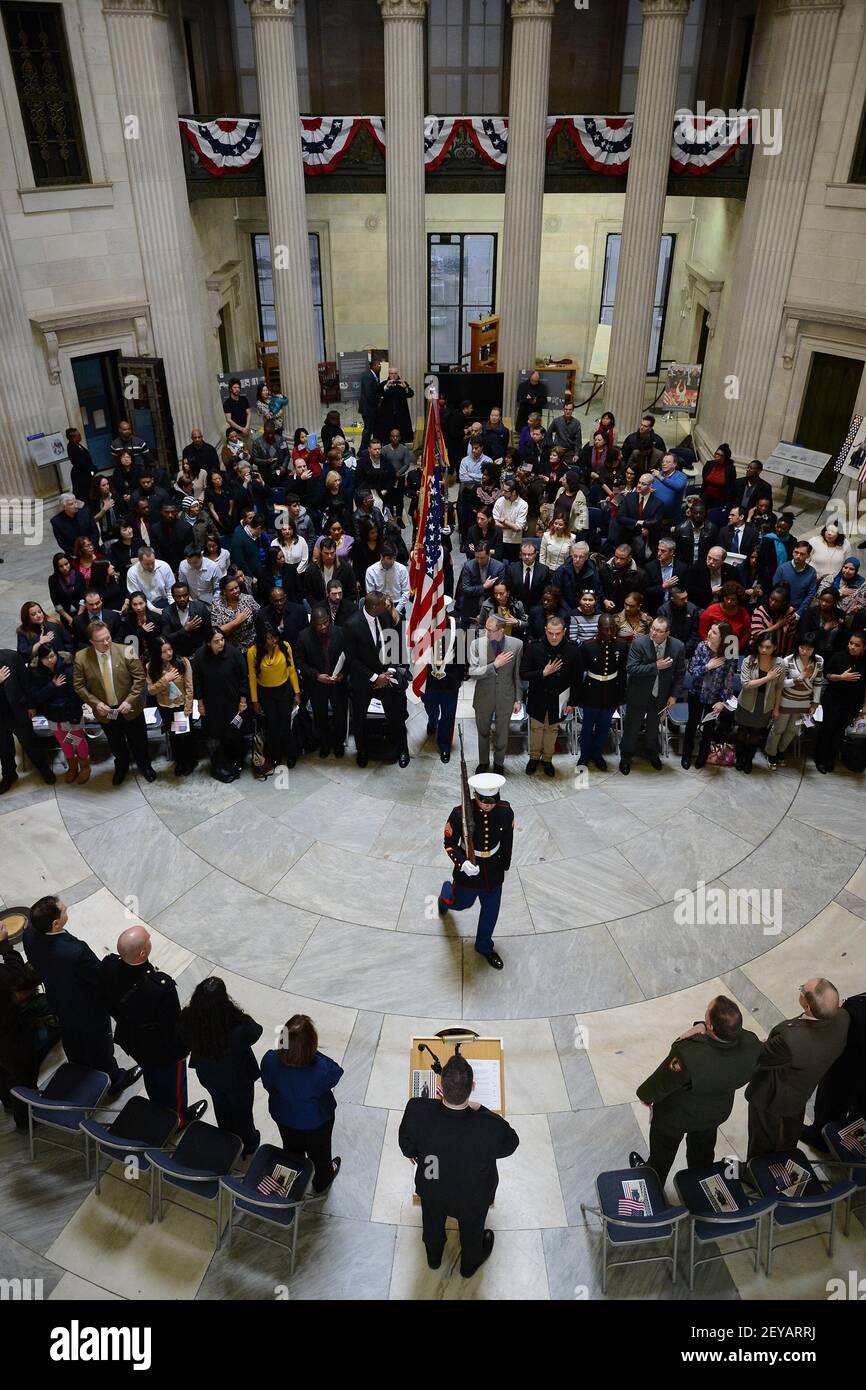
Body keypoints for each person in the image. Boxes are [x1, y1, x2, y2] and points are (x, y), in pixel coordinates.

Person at [398, 1051, 519, 1275]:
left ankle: (434, 1257)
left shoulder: (417, 1109)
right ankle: (469, 1264)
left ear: (440, 1086)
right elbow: (512, 1143)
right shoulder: (489, 1127)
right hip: (473, 1195)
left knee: (432, 1222)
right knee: (473, 1231)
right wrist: (479, 1108)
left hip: (432, 1187)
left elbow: (407, 1148)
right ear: (472, 1087)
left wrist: (417, 1152)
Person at [629, 996, 762, 1187]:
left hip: (676, 1117)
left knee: (662, 1154)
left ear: (711, 1026)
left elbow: (663, 1082)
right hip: (715, 1113)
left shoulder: (689, 1053)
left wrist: (645, 1096)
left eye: (706, 1014)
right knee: (702, 1153)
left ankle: (652, 1184)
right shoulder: (751, 1044)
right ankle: (698, 1187)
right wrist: (703, 1027)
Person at [23, 896, 140, 1096]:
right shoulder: (75, 952)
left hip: (58, 1001)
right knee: (100, 1046)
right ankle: (114, 1080)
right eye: (64, 911)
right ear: (55, 923)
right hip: (87, 1008)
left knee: (71, 1038)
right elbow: (97, 977)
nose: (66, 909)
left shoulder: (30, 935)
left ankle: (79, 1068)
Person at [101, 926, 205, 1128]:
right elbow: (172, 1026)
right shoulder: (160, 987)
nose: (150, 942)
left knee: (151, 1077)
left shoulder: (109, 966)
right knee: (172, 1085)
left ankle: (157, 1105)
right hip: (162, 1050)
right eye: (148, 941)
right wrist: (183, 1049)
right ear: (142, 953)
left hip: (133, 1040)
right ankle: (179, 1120)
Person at [746, 979, 850, 1159]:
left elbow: (759, 1057)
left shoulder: (790, 1038)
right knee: (789, 1132)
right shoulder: (843, 1018)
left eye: (802, 990)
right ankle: (785, 1158)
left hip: (771, 1096)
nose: (800, 989)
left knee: (762, 1138)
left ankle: (755, 1171)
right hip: (801, 1091)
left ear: (808, 1007)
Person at [438, 771, 514, 970]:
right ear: (474, 795)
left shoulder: (505, 811)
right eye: (484, 800)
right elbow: (449, 842)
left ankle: (484, 946)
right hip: (468, 874)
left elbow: (507, 840)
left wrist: (505, 865)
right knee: (460, 904)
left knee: (491, 912)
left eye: (493, 800)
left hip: (494, 871)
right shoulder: (459, 813)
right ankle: (444, 896)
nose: (489, 805)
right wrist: (462, 863)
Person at [260, 1014, 343, 1193]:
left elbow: (268, 1085)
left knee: (291, 1150)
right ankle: (322, 1180)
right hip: (316, 1121)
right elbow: (337, 1072)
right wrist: (311, 1053)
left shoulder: (269, 1060)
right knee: (320, 1154)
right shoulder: (322, 1070)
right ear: (311, 1044)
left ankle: (294, 1180)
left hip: (283, 1115)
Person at [180, 977, 263, 1157]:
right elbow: (257, 1031)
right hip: (238, 1079)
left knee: (220, 1105)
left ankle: (226, 1137)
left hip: (209, 1075)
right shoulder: (239, 1026)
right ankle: (248, 1143)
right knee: (242, 1112)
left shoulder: (188, 1017)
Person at [72, 620, 156, 785]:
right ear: (91, 642)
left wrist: (130, 700)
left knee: (139, 740)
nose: (106, 642)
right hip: (105, 711)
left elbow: (140, 678)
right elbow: (78, 685)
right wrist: (95, 703)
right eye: (101, 640)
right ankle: (122, 766)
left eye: (108, 638)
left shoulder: (127, 650)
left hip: (130, 707)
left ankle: (145, 765)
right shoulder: (82, 657)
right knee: (116, 743)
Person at [343, 593, 410, 768]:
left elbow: (393, 646)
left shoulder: (385, 616)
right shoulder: (351, 625)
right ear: (373, 607)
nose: (387, 606)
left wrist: (389, 672)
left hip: (386, 676)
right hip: (364, 680)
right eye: (383, 605)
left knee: (396, 714)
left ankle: (402, 749)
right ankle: (362, 751)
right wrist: (374, 677)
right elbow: (352, 659)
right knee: (360, 718)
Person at [619, 616, 686, 774]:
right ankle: (626, 756)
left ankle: (652, 753)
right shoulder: (639, 643)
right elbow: (631, 668)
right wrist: (655, 666)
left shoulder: (678, 646)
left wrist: (674, 696)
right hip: (638, 693)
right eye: (653, 628)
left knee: (654, 727)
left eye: (659, 631)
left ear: (667, 633)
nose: (654, 633)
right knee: (632, 727)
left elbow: (680, 674)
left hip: (661, 695)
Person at [802, 990, 866, 1147]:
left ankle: (822, 1138)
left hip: (849, 1063)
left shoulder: (856, 1013)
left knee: (833, 1098)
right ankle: (855, 1127)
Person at [521, 615, 580, 777]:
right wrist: (544, 672)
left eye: (558, 633)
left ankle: (547, 759)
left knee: (552, 729)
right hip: (538, 696)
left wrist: (573, 702)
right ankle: (533, 758)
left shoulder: (573, 650)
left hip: (559, 698)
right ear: (545, 631)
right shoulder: (534, 647)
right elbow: (523, 673)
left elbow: (576, 680)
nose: (554, 637)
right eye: (551, 633)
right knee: (536, 728)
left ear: (564, 632)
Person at [467, 614, 523, 775]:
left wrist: (518, 699)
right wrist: (495, 665)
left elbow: (517, 675)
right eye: (486, 629)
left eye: (491, 630)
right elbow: (472, 672)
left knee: (502, 732)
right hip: (484, 696)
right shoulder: (477, 644)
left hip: (506, 696)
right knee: (483, 732)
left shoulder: (517, 644)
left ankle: (499, 763)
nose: (487, 633)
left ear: (502, 630)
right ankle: (483, 762)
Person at [193, 630, 249, 782]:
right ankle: (219, 764)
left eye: (222, 639)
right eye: (216, 641)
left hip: (232, 702)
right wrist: (200, 702)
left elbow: (244, 678)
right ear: (208, 643)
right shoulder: (200, 656)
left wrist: (243, 700)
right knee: (215, 734)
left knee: (234, 733)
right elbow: (197, 680)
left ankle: (236, 761)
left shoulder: (234, 653)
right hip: (212, 704)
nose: (221, 644)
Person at [680, 622, 737, 769]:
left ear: (723, 638)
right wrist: (708, 666)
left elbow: (728, 681)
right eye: (710, 630)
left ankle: (702, 755)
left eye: (714, 632)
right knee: (692, 725)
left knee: (709, 727)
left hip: (715, 697)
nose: (709, 633)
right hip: (696, 693)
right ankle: (687, 754)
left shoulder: (729, 653)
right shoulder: (701, 646)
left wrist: (722, 702)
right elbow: (692, 670)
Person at [0, 649, 58, 792]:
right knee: (3, 747)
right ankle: (9, 775)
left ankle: (43, 768)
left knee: (29, 742)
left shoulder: (11, 656)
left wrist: (31, 705)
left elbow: (27, 682)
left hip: (17, 711)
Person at [295, 605, 349, 759]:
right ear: (313, 623)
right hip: (317, 684)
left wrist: (343, 674)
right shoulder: (303, 636)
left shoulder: (340, 632)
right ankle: (324, 743)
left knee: (340, 715)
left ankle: (338, 744)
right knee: (320, 715)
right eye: (319, 624)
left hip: (338, 683)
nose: (323, 626)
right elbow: (299, 660)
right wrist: (317, 676)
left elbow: (350, 656)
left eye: (326, 622)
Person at [575, 614, 627, 770]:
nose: (610, 632)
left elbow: (622, 672)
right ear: (598, 629)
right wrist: (577, 696)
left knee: (604, 728)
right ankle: (584, 756)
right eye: (606, 629)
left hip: (611, 692)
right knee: (587, 727)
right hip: (591, 691)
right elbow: (578, 673)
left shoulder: (621, 645)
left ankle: (597, 754)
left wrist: (621, 695)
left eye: (613, 629)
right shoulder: (587, 646)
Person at [32, 646, 91, 784]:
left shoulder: (68, 668)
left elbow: (79, 692)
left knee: (77, 740)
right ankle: (72, 766)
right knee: (64, 740)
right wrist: (52, 685)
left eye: (52, 656)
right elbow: (36, 697)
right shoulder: (37, 673)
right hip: (53, 716)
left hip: (71, 714)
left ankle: (85, 767)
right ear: (40, 660)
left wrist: (75, 711)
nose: (50, 660)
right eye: (46, 658)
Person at [247, 626, 301, 774]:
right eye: (270, 638)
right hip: (266, 693)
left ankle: (291, 754)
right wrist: (255, 700)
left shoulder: (285, 647)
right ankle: (276, 756)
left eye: (275, 637)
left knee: (286, 723)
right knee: (272, 725)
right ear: (263, 639)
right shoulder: (253, 652)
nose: (274, 641)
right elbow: (252, 677)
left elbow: (291, 670)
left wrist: (296, 692)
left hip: (284, 690)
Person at [765, 635, 823, 769]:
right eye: (802, 647)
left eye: (809, 649)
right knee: (778, 729)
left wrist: (815, 703)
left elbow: (818, 683)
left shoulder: (819, 661)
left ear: (814, 649)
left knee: (792, 730)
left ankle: (781, 751)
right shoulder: (788, 660)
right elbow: (780, 684)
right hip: (786, 700)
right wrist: (798, 679)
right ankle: (771, 753)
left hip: (804, 703)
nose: (805, 651)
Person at [814, 630, 866, 773]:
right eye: (851, 643)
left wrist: (864, 706)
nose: (852, 647)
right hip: (833, 699)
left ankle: (830, 759)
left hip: (852, 703)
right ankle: (820, 759)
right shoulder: (839, 656)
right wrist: (842, 677)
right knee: (827, 729)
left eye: (857, 645)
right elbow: (827, 675)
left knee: (839, 732)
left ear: (864, 647)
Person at [734, 633, 785, 773]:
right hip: (747, 701)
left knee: (756, 734)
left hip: (766, 702)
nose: (763, 650)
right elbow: (746, 684)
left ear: (774, 647)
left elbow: (779, 687)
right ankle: (739, 758)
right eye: (761, 646)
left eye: (768, 647)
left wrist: (776, 708)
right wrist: (768, 677)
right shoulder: (749, 660)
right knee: (742, 731)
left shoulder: (780, 663)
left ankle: (749, 760)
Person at [147, 639, 196, 776]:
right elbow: (151, 690)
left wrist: (187, 708)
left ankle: (189, 761)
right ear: (157, 653)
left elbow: (189, 687)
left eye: (170, 649)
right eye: (164, 651)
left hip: (181, 707)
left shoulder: (182, 662)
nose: (169, 653)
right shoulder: (151, 666)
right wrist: (165, 679)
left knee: (184, 735)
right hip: (166, 707)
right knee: (174, 736)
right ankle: (179, 761)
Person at [457, 542, 505, 624]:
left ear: (489, 554)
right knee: (470, 634)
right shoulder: (468, 566)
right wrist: (483, 587)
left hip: (490, 607)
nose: (479, 560)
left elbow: (500, 591)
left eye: (482, 558)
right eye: (476, 557)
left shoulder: (499, 567)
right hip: (471, 606)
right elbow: (466, 590)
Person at [162, 581, 213, 658]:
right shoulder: (167, 613)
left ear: (189, 594)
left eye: (185, 595)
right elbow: (167, 638)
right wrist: (185, 630)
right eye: (178, 596)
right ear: (173, 597)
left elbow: (208, 632)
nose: (182, 599)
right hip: (179, 655)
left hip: (200, 652)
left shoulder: (200, 608)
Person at [211, 574, 260, 653]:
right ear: (224, 591)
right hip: (232, 650)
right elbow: (218, 631)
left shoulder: (247, 599)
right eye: (231, 590)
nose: (236, 591)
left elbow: (260, 616)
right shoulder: (217, 605)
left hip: (252, 646)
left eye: (236, 587)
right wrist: (238, 621)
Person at [697, 580, 752, 650]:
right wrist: (712, 646)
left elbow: (745, 635)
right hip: (711, 648)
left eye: (733, 599)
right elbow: (702, 632)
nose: (729, 601)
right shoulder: (711, 610)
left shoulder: (743, 613)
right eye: (727, 598)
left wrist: (736, 647)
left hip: (732, 649)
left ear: (738, 600)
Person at [365, 541, 411, 619]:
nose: (392, 561)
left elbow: (406, 593)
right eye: (389, 558)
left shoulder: (402, 569)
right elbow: (371, 594)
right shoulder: (371, 571)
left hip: (398, 604)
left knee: (401, 630)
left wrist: (396, 611)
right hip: (378, 605)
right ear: (381, 557)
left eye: (394, 558)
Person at [750, 585, 799, 658]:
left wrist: (787, 656)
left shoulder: (789, 612)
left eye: (777, 601)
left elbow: (791, 636)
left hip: (779, 654)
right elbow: (757, 635)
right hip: (759, 654)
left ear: (784, 602)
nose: (772, 603)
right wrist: (778, 625)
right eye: (771, 599)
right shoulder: (759, 612)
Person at [774, 541, 818, 619]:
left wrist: (798, 613)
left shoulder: (811, 572)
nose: (798, 556)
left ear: (808, 556)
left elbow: (810, 594)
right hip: (779, 609)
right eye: (796, 552)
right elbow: (775, 590)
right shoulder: (782, 568)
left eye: (802, 554)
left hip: (797, 611)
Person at [126, 546, 174, 612]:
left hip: (166, 601)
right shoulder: (132, 572)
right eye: (147, 564)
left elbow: (171, 589)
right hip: (145, 606)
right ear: (139, 561)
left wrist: (173, 606)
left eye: (152, 563)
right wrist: (154, 609)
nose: (151, 566)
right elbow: (137, 597)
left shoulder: (164, 566)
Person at [658, 585, 700, 659]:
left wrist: (685, 649)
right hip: (668, 650)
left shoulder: (692, 609)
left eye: (686, 597)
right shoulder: (663, 611)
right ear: (672, 599)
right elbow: (661, 634)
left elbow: (695, 633)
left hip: (688, 650)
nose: (686, 601)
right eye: (682, 599)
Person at [49, 552, 86, 635]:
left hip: (81, 612)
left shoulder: (79, 575)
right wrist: (69, 618)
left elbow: (83, 596)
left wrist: (78, 617)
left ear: (70, 563)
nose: (65, 568)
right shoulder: (53, 580)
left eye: (66, 564)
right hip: (65, 614)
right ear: (57, 567)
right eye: (61, 566)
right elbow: (56, 601)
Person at [650, 452, 687, 523]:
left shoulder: (681, 476)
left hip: (671, 517)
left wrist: (661, 478)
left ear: (675, 464)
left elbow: (678, 486)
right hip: (655, 515)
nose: (664, 464)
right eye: (663, 462)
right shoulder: (657, 474)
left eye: (668, 462)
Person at [701, 443, 737, 510]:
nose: (717, 456)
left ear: (725, 457)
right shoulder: (709, 464)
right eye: (716, 453)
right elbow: (704, 481)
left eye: (720, 455)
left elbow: (730, 487)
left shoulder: (730, 469)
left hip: (720, 500)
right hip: (705, 497)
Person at [66, 427, 96, 503]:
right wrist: (91, 469)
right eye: (78, 435)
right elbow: (80, 463)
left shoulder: (78, 445)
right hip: (80, 475)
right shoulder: (71, 447)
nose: (80, 436)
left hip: (87, 473)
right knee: (84, 495)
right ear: (73, 437)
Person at [358, 358, 382, 451]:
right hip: (368, 409)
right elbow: (369, 393)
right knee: (367, 430)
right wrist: (377, 403)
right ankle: (362, 449)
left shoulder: (375, 375)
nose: (380, 367)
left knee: (373, 429)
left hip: (373, 409)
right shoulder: (367, 376)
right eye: (378, 365)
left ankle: (374, 447)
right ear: (373, 366)